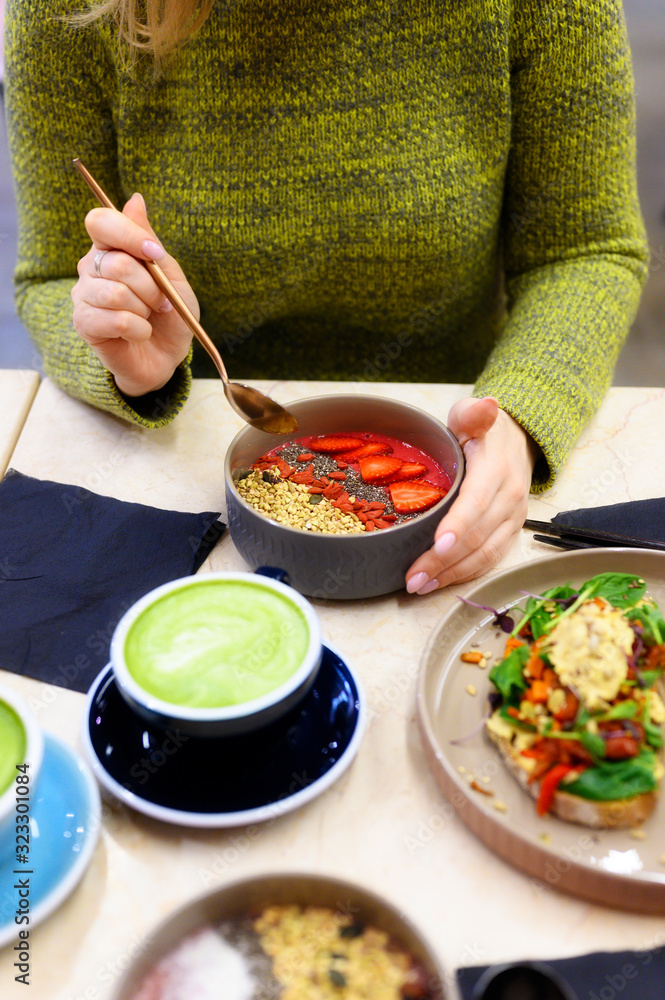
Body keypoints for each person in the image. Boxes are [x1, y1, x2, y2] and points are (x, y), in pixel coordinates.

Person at [5, 0, 648, 594]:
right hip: (190, 463)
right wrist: (128, 353)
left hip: (456, 435)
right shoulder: (72, 13)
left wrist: (518, 416)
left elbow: (585, 251)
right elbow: (54, 274)